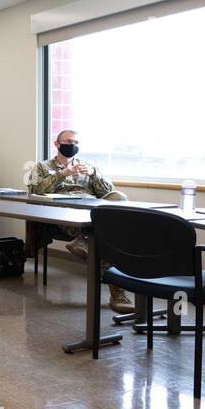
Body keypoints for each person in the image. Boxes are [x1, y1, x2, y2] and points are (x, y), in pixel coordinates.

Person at [28, 129, 133, 313]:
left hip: (91, 206)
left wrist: (94, 174)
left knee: (120, 197)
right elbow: (35, 190)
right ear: (57, 144)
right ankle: (118, 292)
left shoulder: (88, 165)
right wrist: (62, 174)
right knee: (104, 237)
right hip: (61, 209)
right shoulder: (42, 167)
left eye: (75, 142)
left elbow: (107, 192)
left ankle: (84, 241)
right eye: (68, 141)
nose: (72, 145)